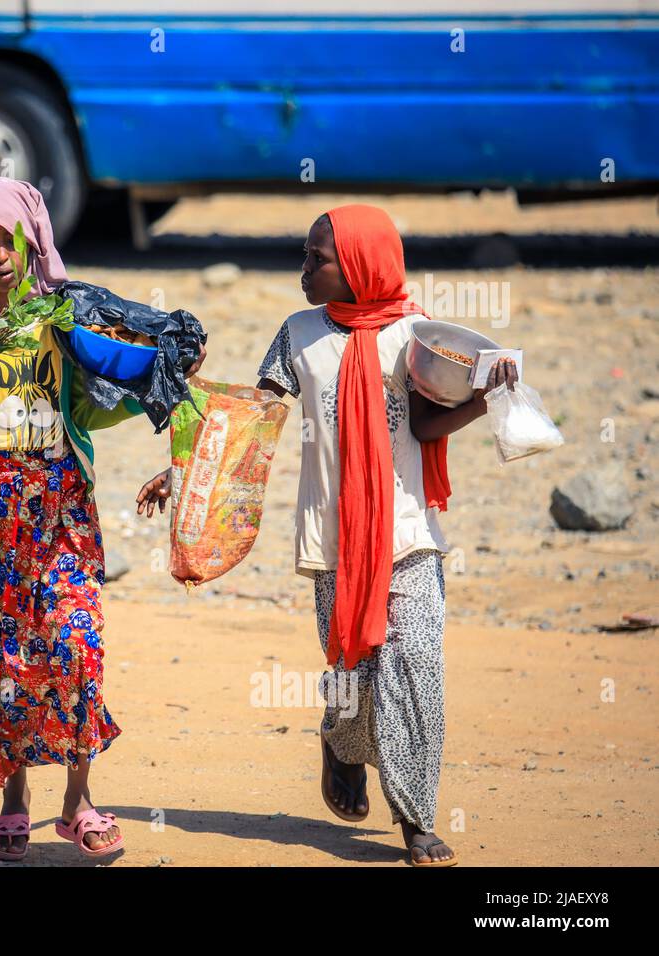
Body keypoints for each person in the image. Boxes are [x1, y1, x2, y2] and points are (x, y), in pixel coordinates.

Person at [137, 205, 517, 867]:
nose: (304, 270)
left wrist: (485, 396)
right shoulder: (297, 334)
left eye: (319, 259)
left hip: (406, 530)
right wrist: (184, 468)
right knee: (354, 676)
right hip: (333, 538)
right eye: (306, 256)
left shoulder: (417, 334)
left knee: (416, 669)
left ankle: (416, 820)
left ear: (363, 265)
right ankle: (340, 745)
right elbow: (253, 419)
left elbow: (426, 428)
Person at [0, 178, 204, 861]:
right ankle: (13, 800)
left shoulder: (62, 316)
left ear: (34, 240)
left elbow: (89, 406)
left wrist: (162, 376)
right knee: (1, 658)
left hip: (59, 504)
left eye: (9, 241)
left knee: (74, 642)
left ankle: (78, 801)